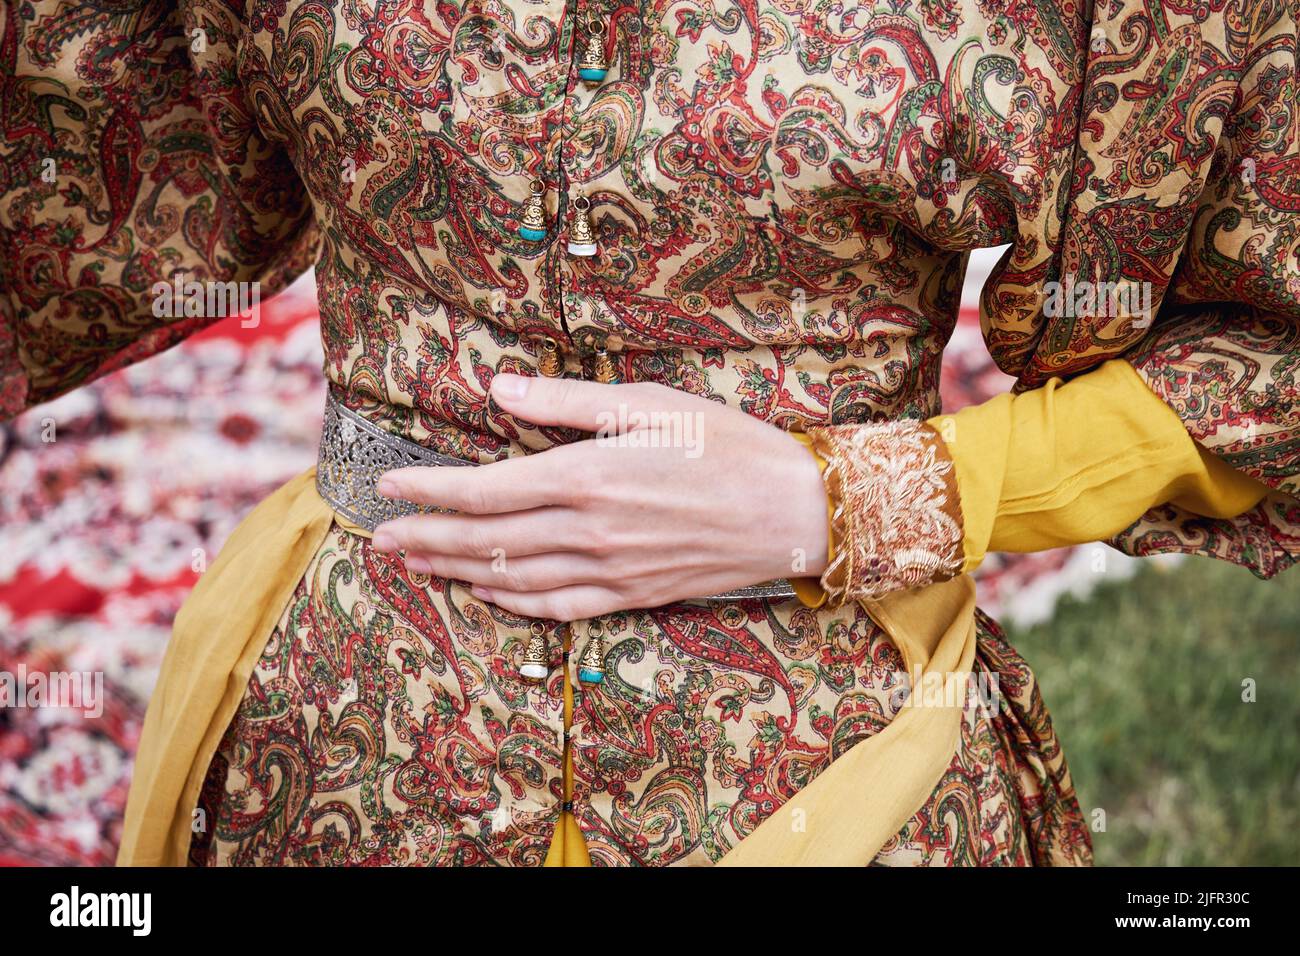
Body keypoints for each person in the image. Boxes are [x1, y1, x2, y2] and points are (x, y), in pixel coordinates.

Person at [3, 0, 1295, 866]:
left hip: (828, 771)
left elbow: (1267, 336)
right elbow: (83, 179)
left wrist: (848, 500)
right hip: (349, 746)